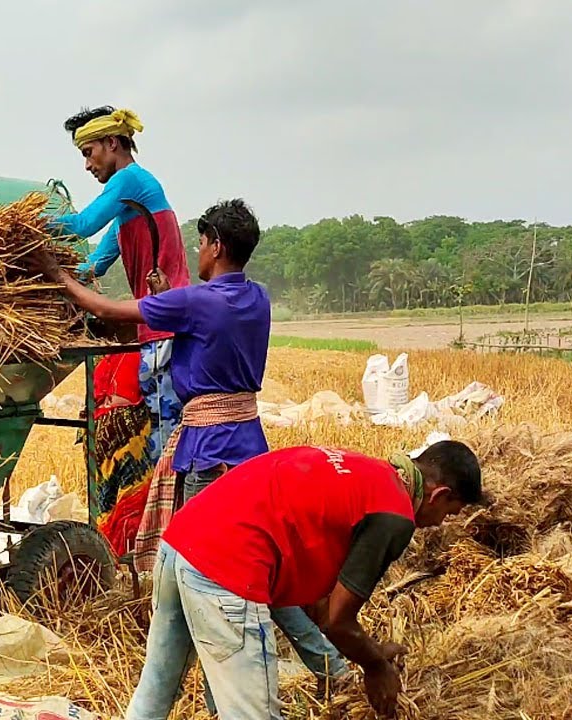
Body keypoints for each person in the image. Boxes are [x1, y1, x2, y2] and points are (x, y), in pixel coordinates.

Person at [32, 198, 347, 706]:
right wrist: (169, 297)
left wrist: (57, 275)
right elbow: (200, 325)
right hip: (248, 447)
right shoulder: (257, 298)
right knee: (257, 563)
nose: (197, 251)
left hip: (208, 455)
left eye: (202, 242)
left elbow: (106, 310)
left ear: (217, 245)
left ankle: (231, 689)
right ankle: (330, 665)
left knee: (212, 574)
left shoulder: (198, 302)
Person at [124, 441, 486, 720]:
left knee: (155, 691)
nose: (440, 524)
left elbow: (320, 609)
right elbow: (337, 620)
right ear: (439, 495)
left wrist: (366, 651)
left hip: (182, 540)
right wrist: (376, 667)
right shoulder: (394, 515)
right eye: (449, 513)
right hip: (226, 566)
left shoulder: (367, 472)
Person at [46, 106, 191, 477]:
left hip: (167, 333)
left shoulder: (130, 180)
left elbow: (81, 225)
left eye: (88, 153)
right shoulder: (131, 210)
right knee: (160, 439)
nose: (87, 165)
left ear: (112, 143)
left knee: (168, 444)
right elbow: (93, 267)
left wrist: (24, 224)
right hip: (155, 331)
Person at [83, 351, 156, 557]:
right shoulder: (143, 351)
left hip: (102, 432)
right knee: (128, 500)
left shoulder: (104, 355)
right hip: (125, 438)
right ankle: (122, 554)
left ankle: (108, 554)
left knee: (108, 501)